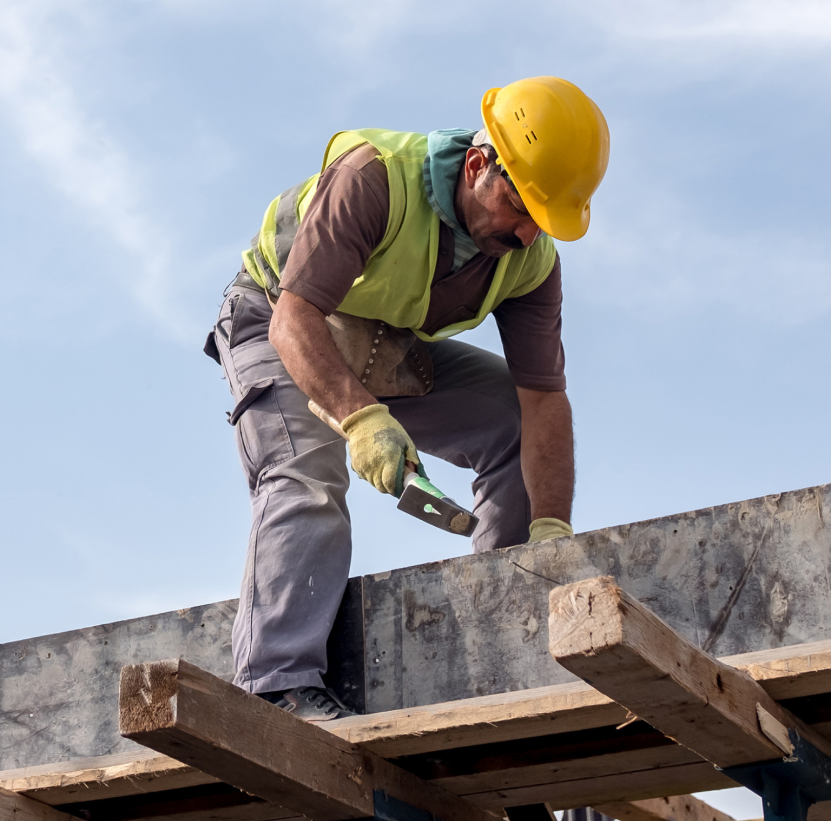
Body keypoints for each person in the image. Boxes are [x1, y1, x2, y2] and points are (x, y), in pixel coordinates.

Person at [202, 77, 611, 720]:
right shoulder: (374, 179)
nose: (530, 233)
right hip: (276, 317)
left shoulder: (529, 262)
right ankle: (277, 687)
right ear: (478, 164)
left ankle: (512, 638)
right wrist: (361, 417)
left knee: (507, 419)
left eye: (544, 219)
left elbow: (543, 403)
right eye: (522, 206)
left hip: (380, 341)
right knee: (306, 475)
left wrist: (551, 531)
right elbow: (295, 320)